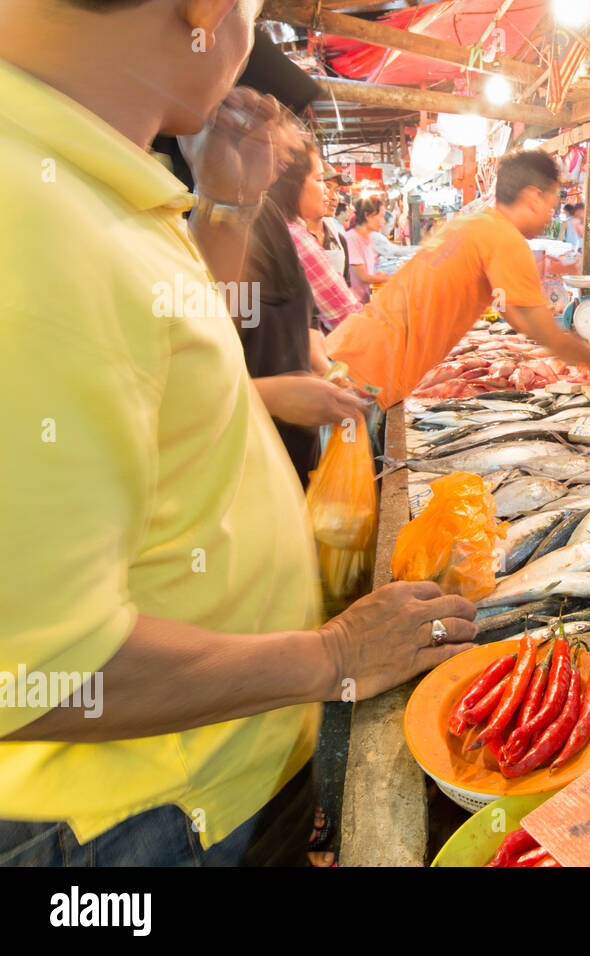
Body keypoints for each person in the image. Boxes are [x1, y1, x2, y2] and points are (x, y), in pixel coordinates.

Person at [0, 0, 478, 868]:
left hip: (202, 784)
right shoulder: (23, 218)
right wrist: (332, 654)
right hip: (139, 829)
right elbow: (29, 676)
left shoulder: (85, 177)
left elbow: (173, 361)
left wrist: (226, 208)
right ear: (208, 10)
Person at [326, 149, 590, 406]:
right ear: (533, 197)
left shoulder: (473, 223)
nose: (550, 217)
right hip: (367, 377)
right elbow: (544, 332)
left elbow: (513, 314)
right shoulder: (505, 238)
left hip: (351, 354)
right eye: (551, 205)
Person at [248, 136, 369, 485]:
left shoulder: (288, 231)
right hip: (270, 429)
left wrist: (326, 368)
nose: (328, 192)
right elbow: (343, 312)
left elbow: (304, 319)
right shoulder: (287, 235)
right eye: (319, 180)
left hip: (296, 408)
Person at [283, 145, 364, 335]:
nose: (331, 196)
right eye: (322, 182)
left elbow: (343, 287)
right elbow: (345, 314)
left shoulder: (337, 237)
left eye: (335, 190)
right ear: (294, 184)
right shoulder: (296, 238)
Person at [345, 196, 387, 304]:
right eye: (381, 216)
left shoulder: (368, 238)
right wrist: (390, 278)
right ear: (367, 215)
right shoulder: (352, 238)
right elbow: (363, 277)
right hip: (355, 303)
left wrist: (378, 275)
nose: (383, 222)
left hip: (365, 299)